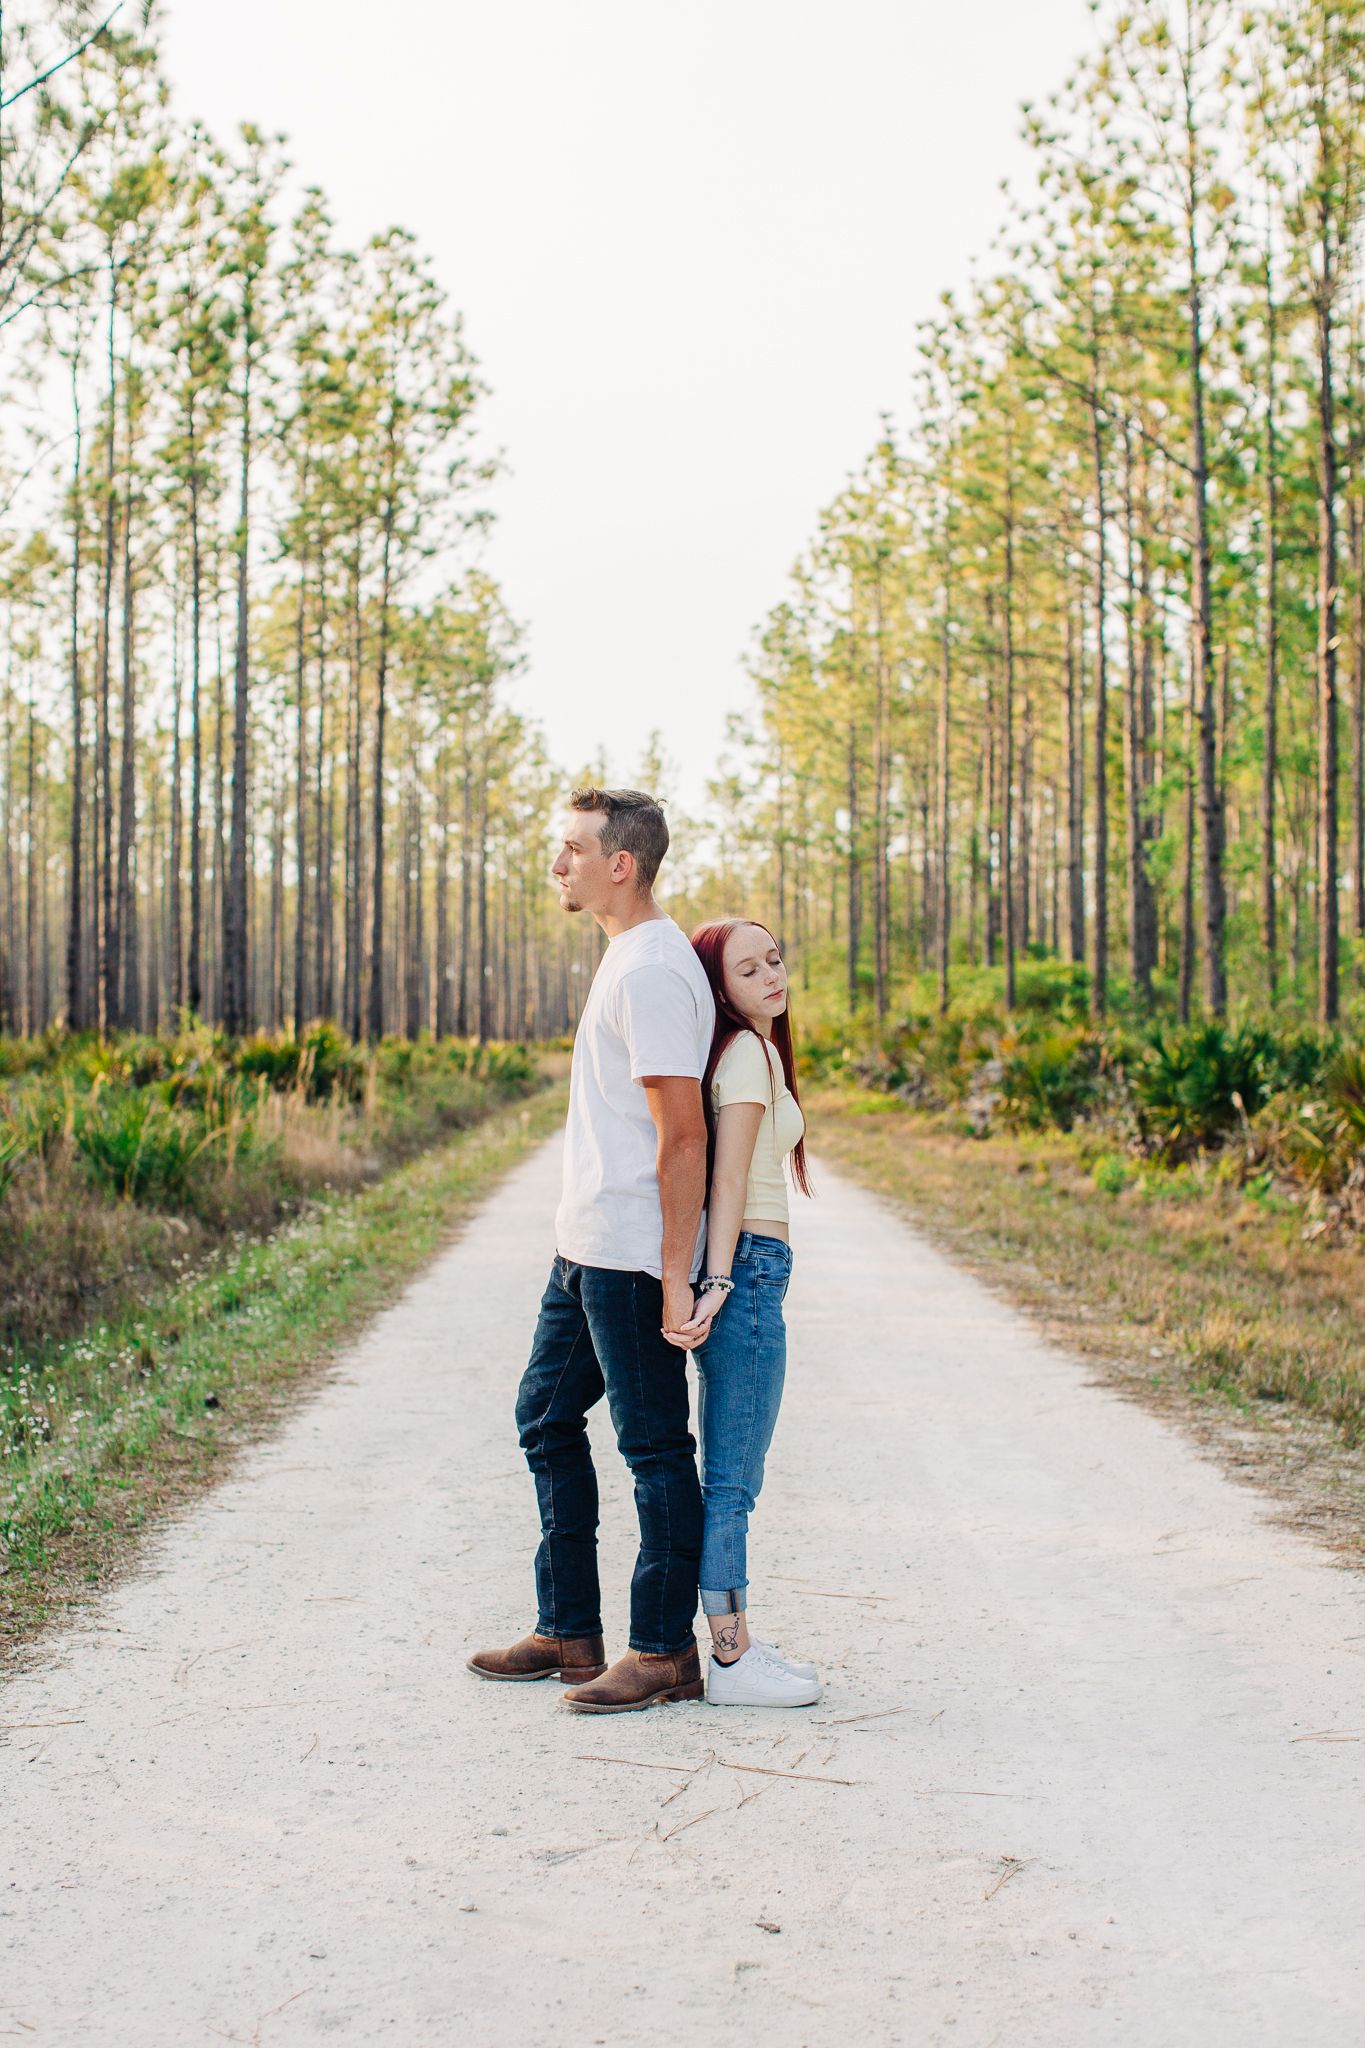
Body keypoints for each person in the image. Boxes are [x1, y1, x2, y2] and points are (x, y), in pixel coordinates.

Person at [467, 787, 715, 1714]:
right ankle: (568, 1631)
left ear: (621, 864)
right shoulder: (627, 957)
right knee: (543, 1418)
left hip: (630, 1254)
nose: (556, 863)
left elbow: (682, 1135)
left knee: (653, 1450)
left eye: (572, 848)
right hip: (584, 1247)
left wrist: (674, 1274)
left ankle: (663, 1652)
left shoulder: (651, 970)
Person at [680, 919, 820, 1708]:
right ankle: (730, 1659)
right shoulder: (746, 1054)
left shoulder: (750, 1051)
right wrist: (721, 1281)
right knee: (733, 1480)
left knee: (733, 1475)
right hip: (750, 1271)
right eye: (747, 969)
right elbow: (728, 1179)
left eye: (773, 958)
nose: (771, 974)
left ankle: (734, 1643)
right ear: (720, 988)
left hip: (755, 1270)